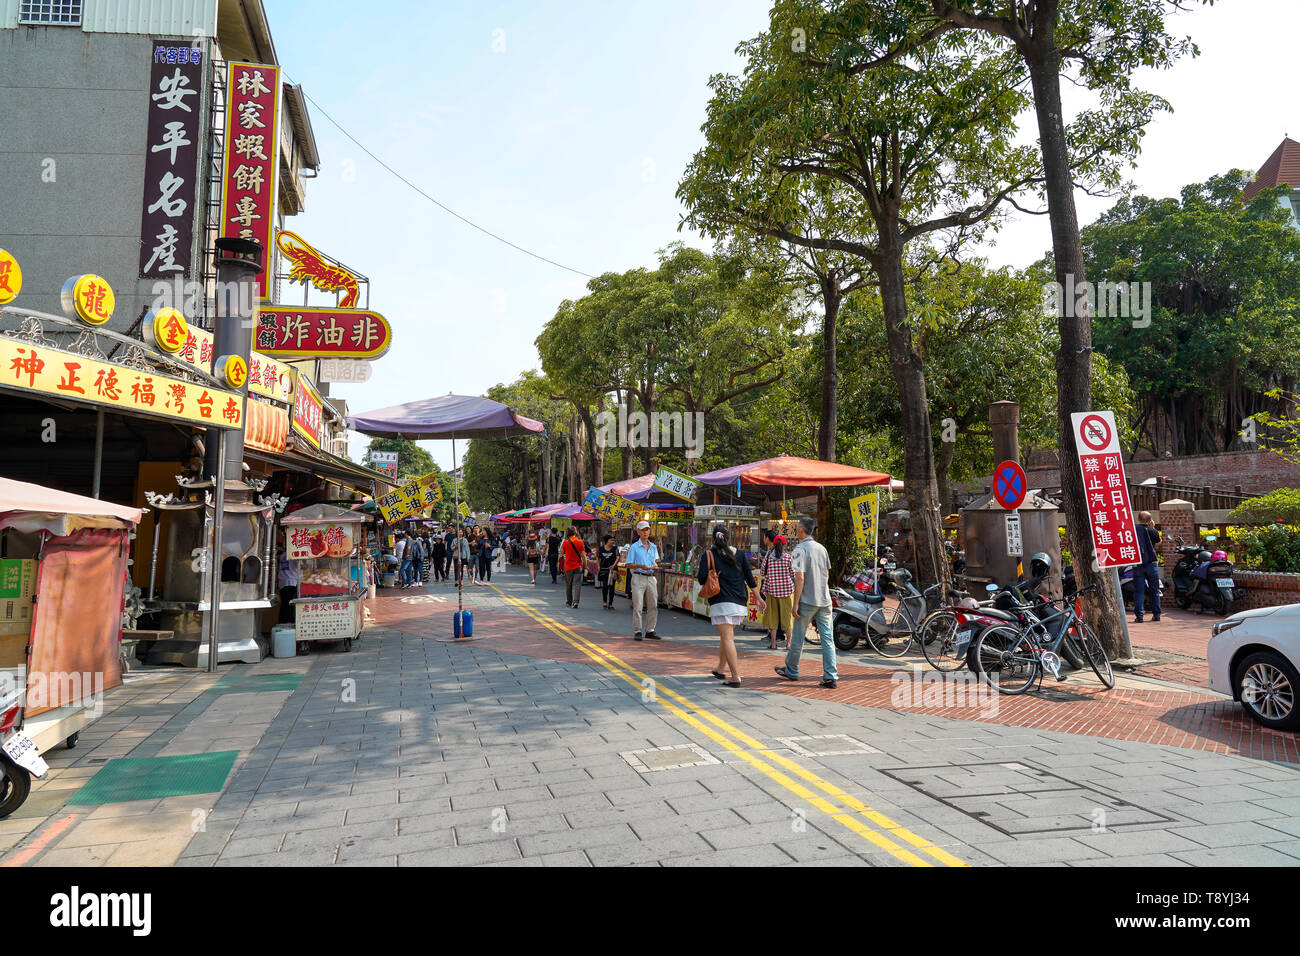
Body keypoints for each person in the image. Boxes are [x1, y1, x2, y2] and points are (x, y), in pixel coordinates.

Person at [775, 517, 838, 689]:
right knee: (828, 639)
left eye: (797, 528)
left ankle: (792, 669)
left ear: (802, 530)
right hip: (824, 600)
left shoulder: (799, 549)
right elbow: (826, 573)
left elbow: (799, 577)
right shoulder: (822, 548)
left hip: (807, 600)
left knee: (798, 637)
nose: (796, 530)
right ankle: (831, 675)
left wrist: (796, 603)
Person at [698, 524, 762, 687]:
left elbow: (701, 578)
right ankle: (720, 668)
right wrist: (759, 598)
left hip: (721, 602)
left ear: (713, 538)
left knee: (727, 638)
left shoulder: (708, 554)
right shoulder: (739, 554)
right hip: (740, 602)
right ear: (729, 538)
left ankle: (735, 677)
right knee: (726, 637)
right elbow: (749, 577)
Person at [623, 520, 660, 640]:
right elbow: (628, 564)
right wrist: (640, 566)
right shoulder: (634, 547)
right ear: (638, 532)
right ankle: (637, 630)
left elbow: (654, 561)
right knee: (638, 605)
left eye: (647, 529)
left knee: (653, 604)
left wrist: (655, 566)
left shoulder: (653, 547)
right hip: (638, 577)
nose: (645, 532)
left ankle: (650, 630)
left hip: (650, 577)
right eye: (643, 530)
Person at [759, 532, 795, 650]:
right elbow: (792, 574)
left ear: (774, 545)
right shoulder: (789, 558)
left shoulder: (768, 558)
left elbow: (762, 572)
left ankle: (773, 644)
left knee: (773, 619)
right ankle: (789, 644)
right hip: (787, 592)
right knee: (788, 618)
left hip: (772, 591)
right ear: (784, 546)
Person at [1133, 510, 1162, 624]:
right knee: (1154, 590)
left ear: (1138, 519)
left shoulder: (1134, 530)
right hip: (1151, 563)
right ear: (1150, 520)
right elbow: (1159, 542)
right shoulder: (1152, 531)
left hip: (1138, 563)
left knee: (1139, 591)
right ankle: (1157, 614)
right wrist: (1153, 527)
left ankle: (1139, 616)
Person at [562, 526, 588, 608]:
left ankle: (569, 601)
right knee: (577, 584)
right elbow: (583, 556)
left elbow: (562, 552)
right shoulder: (580, 542)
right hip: (578, 566)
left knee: (568, 584)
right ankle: (576, 601)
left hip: (568, 566)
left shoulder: (566, 542)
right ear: (575, 532)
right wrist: (585, 566)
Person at [277, 545, 298, 624]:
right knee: (289, 607)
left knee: (284, 606)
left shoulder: (283, 555)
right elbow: (298, 565)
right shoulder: (293, 554)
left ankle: (282, 623)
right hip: (291, 583)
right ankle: (287, 625)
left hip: (283, 583)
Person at [597, 534, 619, 609]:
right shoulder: (601, 549)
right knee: (605, 586)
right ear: (607, 541)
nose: (613, 541)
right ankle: (604, 602)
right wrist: (598, 566)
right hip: (604, 570)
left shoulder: (615, 548)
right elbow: (598, 558)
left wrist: (614, 565)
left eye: (613, 540)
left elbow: (618, 557)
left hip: (613, 570)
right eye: (611, 540)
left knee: (612, 587)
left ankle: (610, 603)